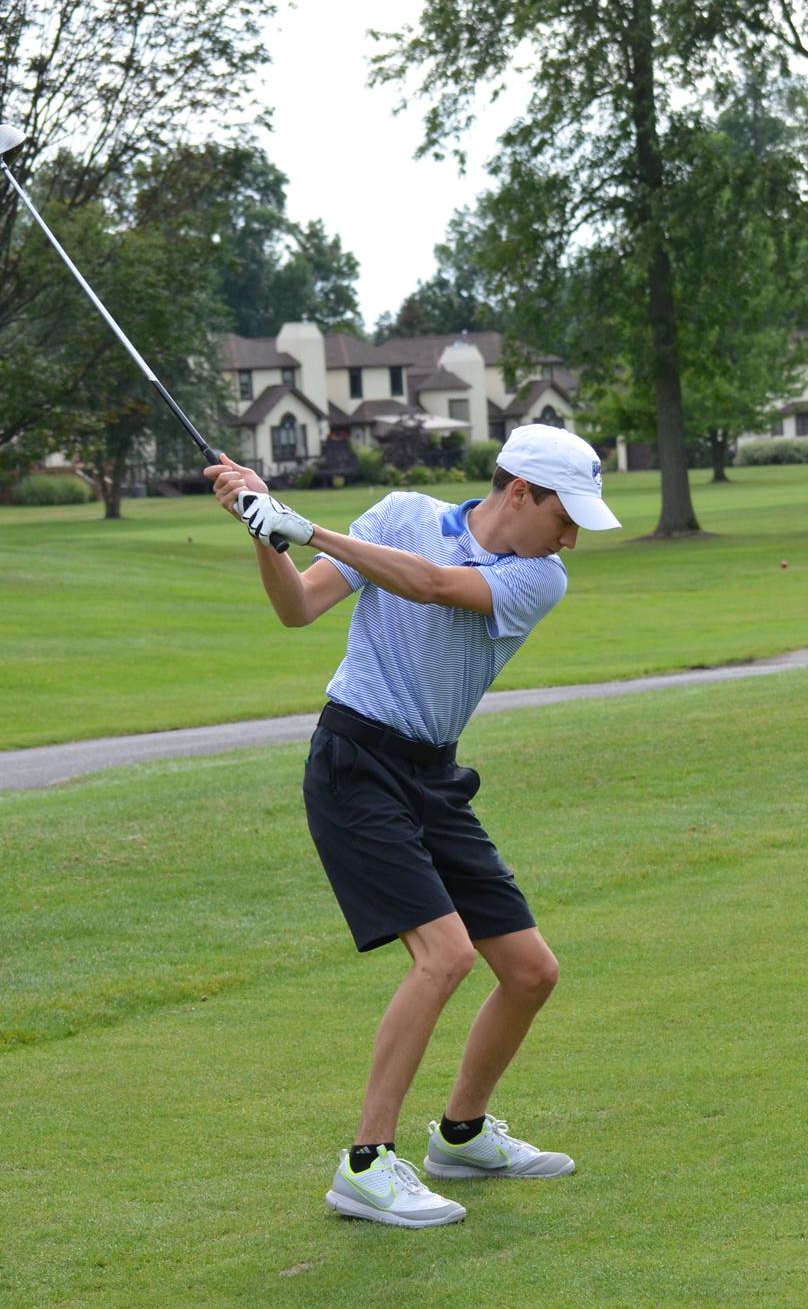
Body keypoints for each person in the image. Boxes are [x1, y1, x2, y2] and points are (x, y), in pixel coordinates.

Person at [205, 424, 620, 1228]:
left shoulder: (541, 577)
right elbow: (298, 608)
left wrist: (306, 526)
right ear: (520, 493)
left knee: (531, 971)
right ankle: (366, 1163)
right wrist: (265, 533)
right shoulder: (399, 514)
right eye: (566, 515)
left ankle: (461, 1135)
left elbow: (432, 586)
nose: (572, 536)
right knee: (445, 957)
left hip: (432, 777)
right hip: (354, 763)